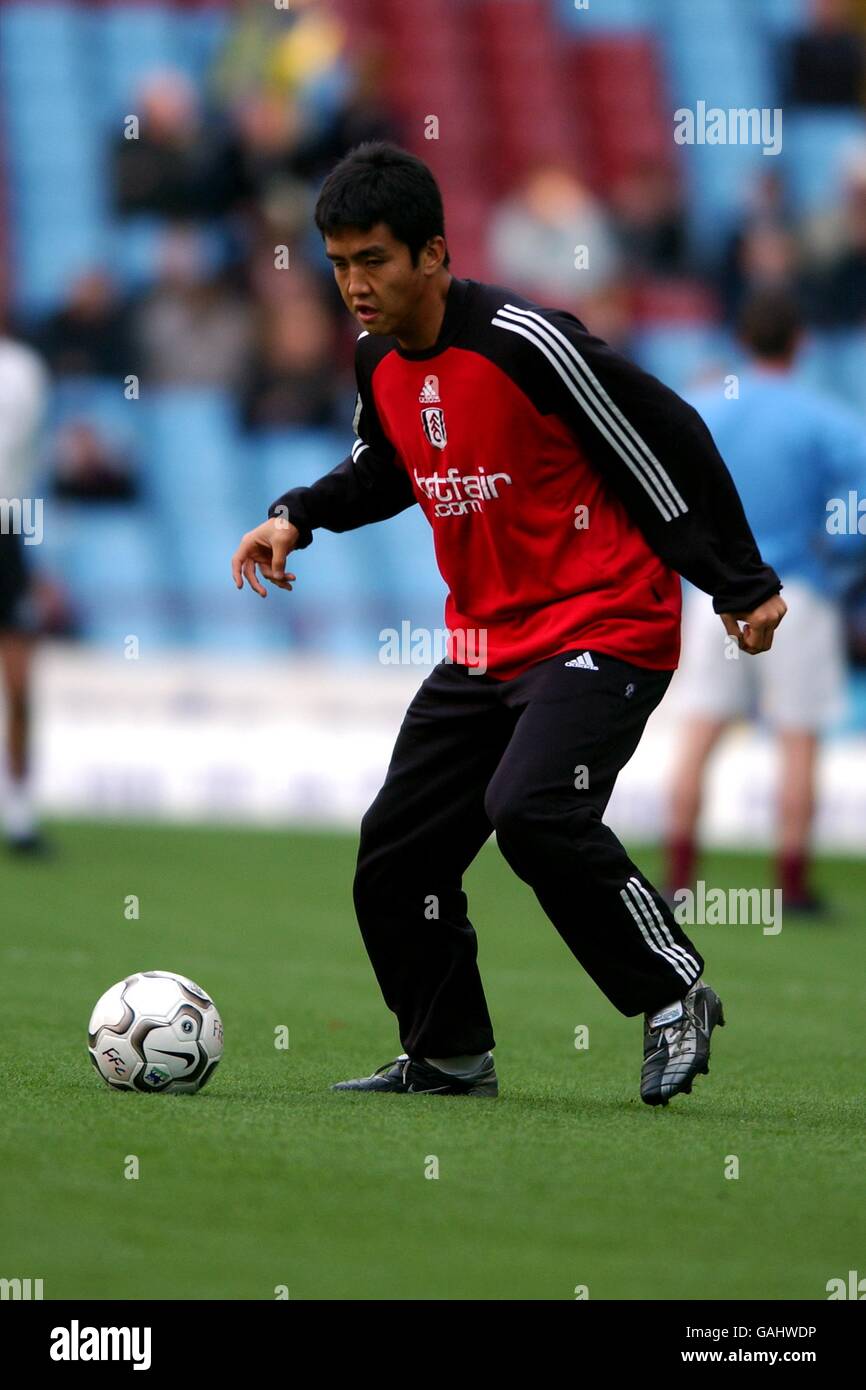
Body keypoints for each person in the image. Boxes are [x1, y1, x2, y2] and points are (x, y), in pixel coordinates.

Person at [231, 143, 786, 1106]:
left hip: (606, 621)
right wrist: (298, 515)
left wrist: (736, 584)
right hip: (488, 643)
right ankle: (447, 1054)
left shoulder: (531, 343)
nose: (354, 285)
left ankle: (674, 991)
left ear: (434, 255)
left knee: (532, 810)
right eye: (338, 264)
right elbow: (387, 467)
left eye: (373, 260)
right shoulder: (377, 362)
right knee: (396, 857)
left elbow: (665, 434)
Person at [667, 291, 866, 912]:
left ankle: (678, 877)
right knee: (798, 737)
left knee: (699, 731)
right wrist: (834, 546)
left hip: (715, 593)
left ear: (740, 341)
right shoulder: (823, 418)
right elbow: (859, 507)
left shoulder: (704, 408)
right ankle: (793, 884)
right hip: (797, 592)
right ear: (799, 343)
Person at [0, 327, 49, 852]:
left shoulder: (22, 369)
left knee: (19, 682)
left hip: (6, 531)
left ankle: (19, 813)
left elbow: (26, 465)